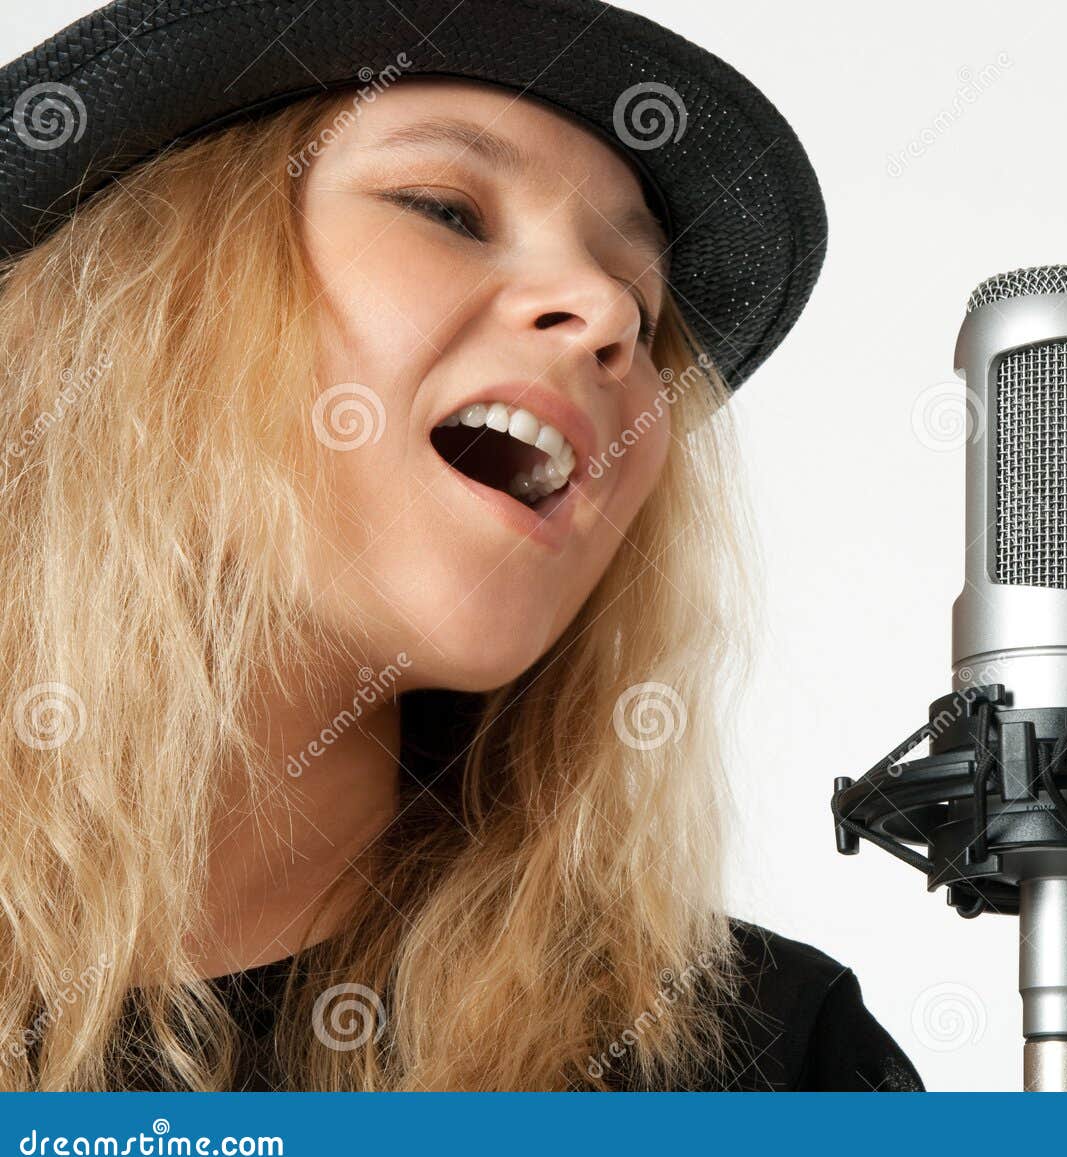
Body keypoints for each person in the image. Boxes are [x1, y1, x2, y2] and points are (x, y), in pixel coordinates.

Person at [0, 0, 922, 1092]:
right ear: (134, 314)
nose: (605, 313)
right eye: (445, 209)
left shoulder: (764, 1066)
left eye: (637, 294)